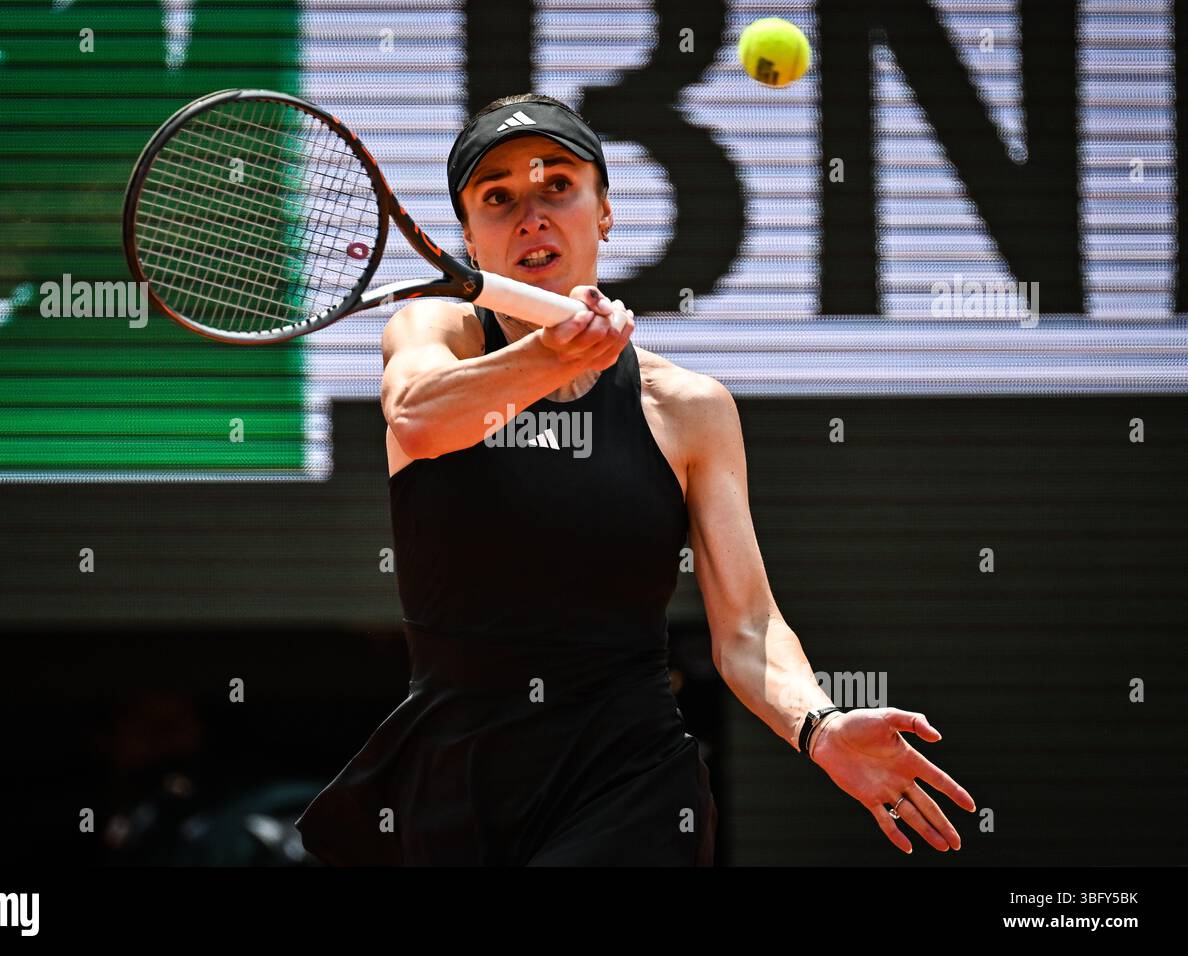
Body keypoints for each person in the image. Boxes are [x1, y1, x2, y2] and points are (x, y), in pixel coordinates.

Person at [295, 93, 976, 865]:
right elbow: (417, 415)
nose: (531, 214)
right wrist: (551, 354)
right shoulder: (431, 330)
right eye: (498, 197)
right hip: (453, 781)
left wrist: (817, 725)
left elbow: (748, 627)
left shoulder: (689, 408)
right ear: (468, 235)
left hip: (629, 783)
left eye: (558, 186)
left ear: (604, 211)